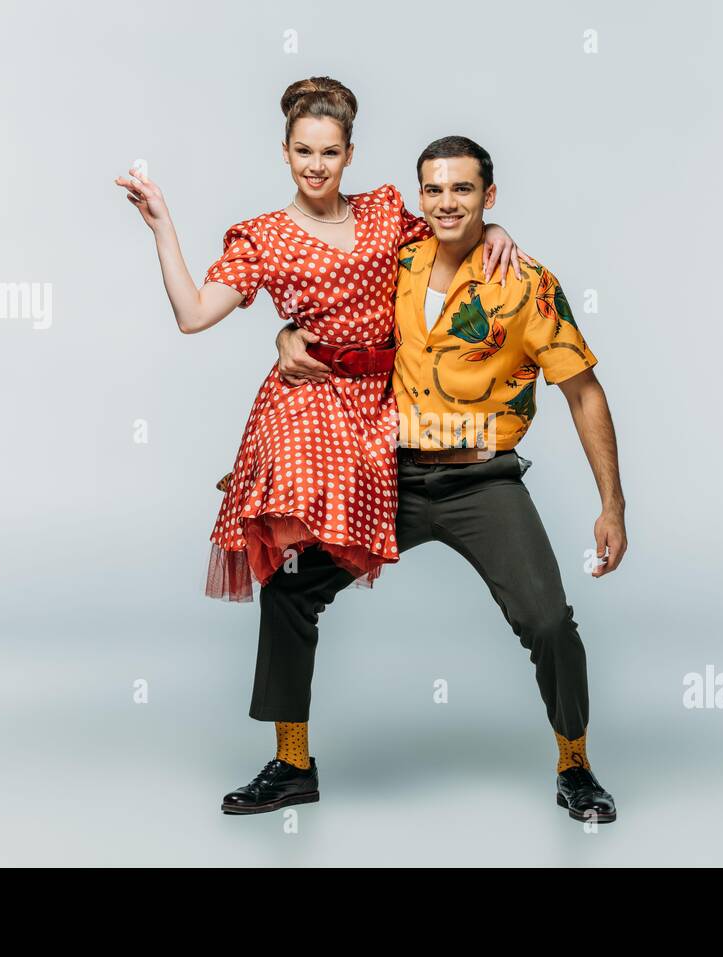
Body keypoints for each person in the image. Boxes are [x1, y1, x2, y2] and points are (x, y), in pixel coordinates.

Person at [113, 77, 527, 812]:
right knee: (288, 574)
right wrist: (162, 227)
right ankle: (290, 760)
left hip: (384, 403)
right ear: (284, 152)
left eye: (329, 152)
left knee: (313, 573)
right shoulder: (263, 236)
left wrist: (493, 231)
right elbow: (194, 314)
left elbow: (450, 238)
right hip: (307, 401)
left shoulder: (384, 214)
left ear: (349, 154)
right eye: (303, 151)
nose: (315, 165)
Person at [253, 136, 628, 824]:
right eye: (434, 189)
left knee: (549, 622)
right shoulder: (395, 263)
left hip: (482, 481)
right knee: (287, 589)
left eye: (463, 189)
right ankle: (292, 764)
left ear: (489, 195)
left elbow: (584, 393)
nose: (447, 202)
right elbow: (329, 311)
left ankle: (575, 766)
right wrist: (286, 336)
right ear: (419, 196)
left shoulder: (526, 283)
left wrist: (613, 505)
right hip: (386, 476)